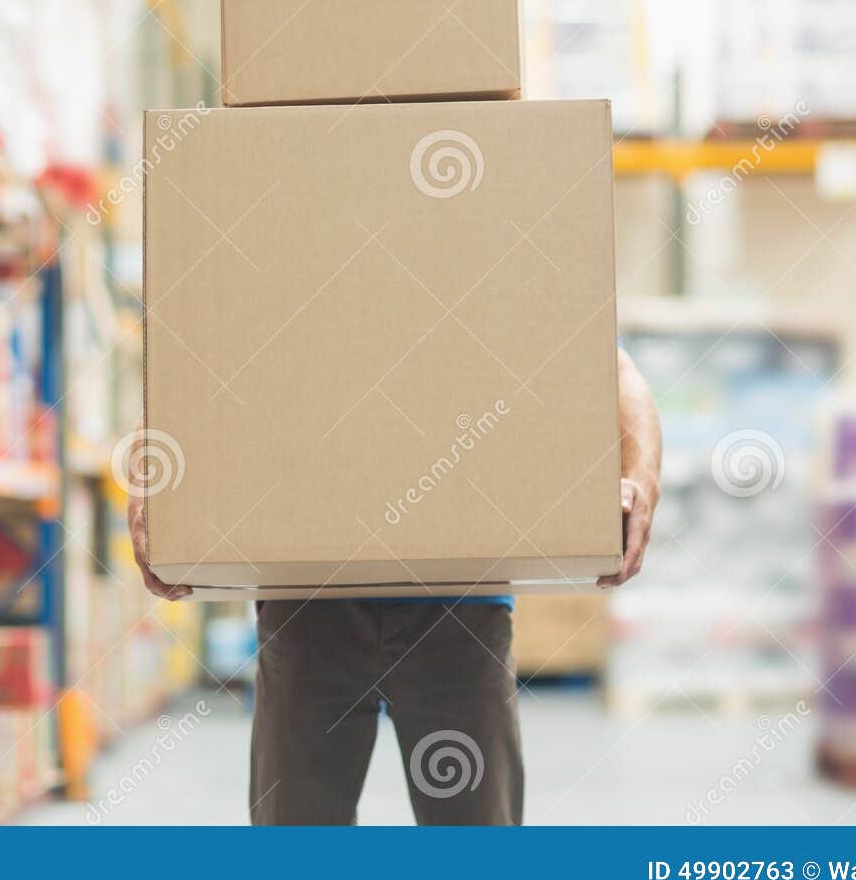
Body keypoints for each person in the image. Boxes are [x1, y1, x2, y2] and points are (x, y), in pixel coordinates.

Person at [127, 347, 662, 825]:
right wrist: (153, 491)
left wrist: (642, 480)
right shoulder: (288, 251)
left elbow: (610, 366)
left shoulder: (488, 249)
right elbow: (191, 365)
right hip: (309, 601)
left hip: (458, 603)